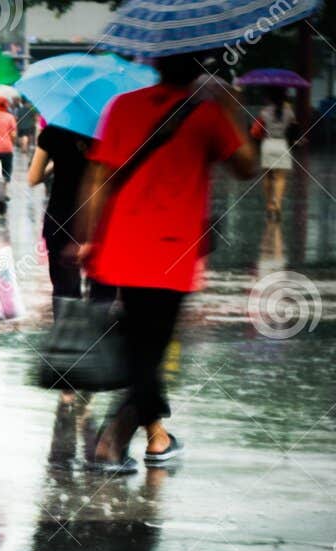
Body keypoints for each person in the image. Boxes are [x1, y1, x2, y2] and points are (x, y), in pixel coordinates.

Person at [79, 52, 256, 473]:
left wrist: (86, 237)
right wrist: (232, 107)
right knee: (148, 354)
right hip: (171, 253)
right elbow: (247, 166)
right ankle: (113, 443)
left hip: (122, 247)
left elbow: (99, 178)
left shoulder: (122, 106)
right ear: (198, 67)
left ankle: (155, 438)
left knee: (144, 349)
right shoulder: (210, 115)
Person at [28, 123, 96, 299]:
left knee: (64, 290)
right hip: (100, 220)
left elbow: (33, 177)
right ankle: (98, 325)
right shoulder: (109, 128)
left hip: (60, 217)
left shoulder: (54, 130)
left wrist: (56, 163)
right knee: (102, 293)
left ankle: (66, 325)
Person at [255, 88, 298, 219]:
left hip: (268, 145)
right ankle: (278, 204)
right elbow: (294, 129)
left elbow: (256, 131)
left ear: (270, 98)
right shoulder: (289, 112)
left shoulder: (264, 112)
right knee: (280, 178)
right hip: (282, 145)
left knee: (268, 176)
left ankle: (269, 204)